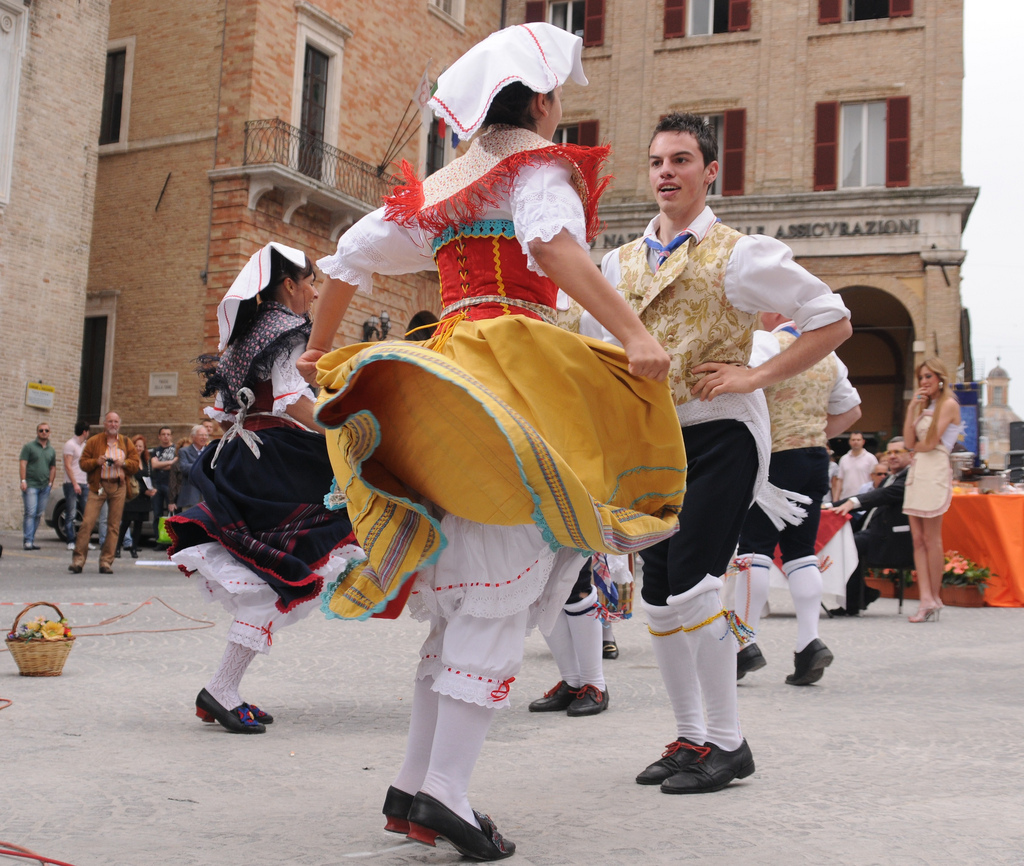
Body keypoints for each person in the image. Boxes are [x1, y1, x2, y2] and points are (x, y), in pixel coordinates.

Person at [300, 23, 685, 861]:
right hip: (517, 376)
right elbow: (549, 243)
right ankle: (443, 794)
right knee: (499, 589)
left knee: (465, 596)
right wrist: (634, 333)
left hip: (444, 383)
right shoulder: (542, 167)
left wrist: (319, 352)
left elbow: (344, 260)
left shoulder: (446, 187)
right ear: (544, 103)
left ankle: (413, 786)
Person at [590, 112, 851, 795]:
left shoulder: (740, 252)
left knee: (698, 585)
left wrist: (756, 375)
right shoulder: (616, 264)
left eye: (681, 159)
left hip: (719, 433)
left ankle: (730, 744)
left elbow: (832, 318)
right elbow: (581, 339)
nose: (666, 172)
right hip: (649, 441)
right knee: (656, 596)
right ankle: (690, 737)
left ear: (711, 172)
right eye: (656, 162)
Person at [166, 242, 362, 736]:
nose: (316, 294)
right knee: (280, 576)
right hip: (274, 461)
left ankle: (223, 690)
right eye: (311, 283)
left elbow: (229, 407)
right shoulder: (289, 331)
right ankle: (221, 690)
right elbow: (294, 399)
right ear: (290, 285)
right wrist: (344, 429)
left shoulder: (251, 332)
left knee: (273, 574)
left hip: (244, 459)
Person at [734, 312, 862, 686]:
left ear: (774, 311)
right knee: (800, 552)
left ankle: (743, 644)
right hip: (814, 457)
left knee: (754, 548)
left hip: (775, 459)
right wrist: (815, 433)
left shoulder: (766, 341)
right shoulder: (828, 354)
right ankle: (809, 642)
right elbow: (852, 410)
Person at [902, 358, 962, 622]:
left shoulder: (949, 405)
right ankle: (925, 597)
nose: (924, 381)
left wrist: (917, 446)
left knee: (932, 538)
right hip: (917, 470)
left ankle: (934, 596)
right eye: (921, 377)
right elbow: (908, 442)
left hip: (935, 467)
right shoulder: (922, 406)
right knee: (917, 539)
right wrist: (913, 406)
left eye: (928, 376)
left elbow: (928, 443)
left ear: (939, 377)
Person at [827, 437, 915, 615]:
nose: (892, 456)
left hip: (894, 538)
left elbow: (883, 495)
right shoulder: (889, 478)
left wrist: (849, 502)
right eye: (889, 452)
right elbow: (875, 499)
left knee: (850, 544)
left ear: (911, 456)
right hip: (874, 532)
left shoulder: (910, 478)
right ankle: (862, 594)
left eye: (898, 452)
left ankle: (853, 602)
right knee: (841, 538)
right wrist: (831, 507)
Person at [70, 412, 139, 574]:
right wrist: (96, 462)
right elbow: (83, 463)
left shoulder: (126, 442)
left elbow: (135, 464)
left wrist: (124, 463)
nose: (113, 425)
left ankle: (106, 562)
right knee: (87, 523)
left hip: (118, 486)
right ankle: (78, 560)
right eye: (110, 422)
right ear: (104, 423)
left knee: (114, 526)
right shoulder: (94, 441)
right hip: (98, 486)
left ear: (119, 424)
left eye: (116, 422)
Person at [19, 422, 57, 550]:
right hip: (31, 485)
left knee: (38, 514)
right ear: (37, 432)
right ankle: (28, 541)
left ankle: (31, 539)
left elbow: (52, 467)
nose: (44, 432)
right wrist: (23, 480)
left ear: (49, 433)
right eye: (41, 430)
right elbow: (23, 463)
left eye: (46, 430)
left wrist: (50, 482)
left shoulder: (51, 450)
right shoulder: (29, 447)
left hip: (44, 486)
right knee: (30, 512)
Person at [116, 434, 155, 558]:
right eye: (136, 446)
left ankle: (134, 548)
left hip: (144, 497)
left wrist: (152, 489)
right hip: (133, 495)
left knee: (139, 524)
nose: (138, 448)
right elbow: (131, 478)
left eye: (141, 446)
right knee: (126, 522)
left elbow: (148, 477)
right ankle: (117, 547)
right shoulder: (129, 460)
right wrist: (144, 491)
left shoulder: (145, 461)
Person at [62, 421, 93, 551]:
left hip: (84, 483)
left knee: (87, 514)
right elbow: (68, 466)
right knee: (71, 513)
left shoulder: (85, 446)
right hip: (71, 483)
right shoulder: (70, 445)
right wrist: (75, 483)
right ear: (85, 432)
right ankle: (70, 540)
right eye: (88, 431)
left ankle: (85, 541)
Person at [175, 425, 208, 511]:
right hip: (190, 495)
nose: (204, 437)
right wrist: (203, 466)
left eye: (206, 435)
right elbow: (184, 468)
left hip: (207, 496)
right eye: (201, 435)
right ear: (193, 437)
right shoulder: (184, 451)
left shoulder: (210, 451)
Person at [150, 426, 178, 527]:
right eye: (163, 434)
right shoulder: (155, 450)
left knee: (174, 513)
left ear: (171, 436)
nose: (166, 436)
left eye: (168, 434)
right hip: (157, 485)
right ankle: (159, 540)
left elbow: (174, 466)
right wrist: (170, 462)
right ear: (159, 436)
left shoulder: (176, 450)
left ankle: (172, 539)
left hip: (171, 485)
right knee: (157, 514)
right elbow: (154, 465)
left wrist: (160, 464)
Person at [836, 432, 877, 500]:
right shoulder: (844, 459)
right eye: (853, 440)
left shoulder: (871, 458)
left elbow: (875, 479)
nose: (856, 442)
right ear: (849, 442)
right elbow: (840, 480)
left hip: (864, 499)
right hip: (845, 498)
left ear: (863, 442)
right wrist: (836, 499)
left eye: (858, 440)